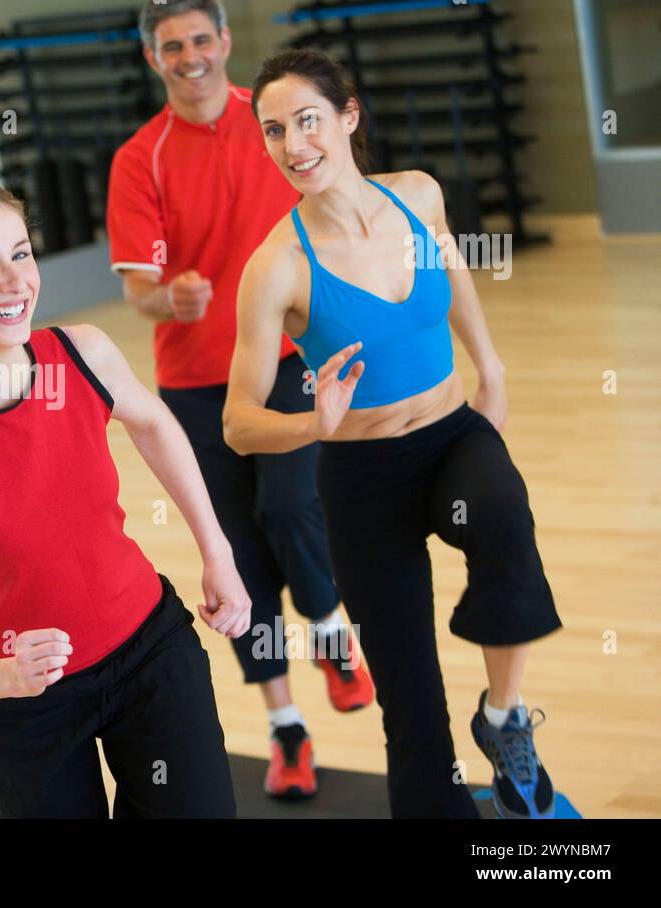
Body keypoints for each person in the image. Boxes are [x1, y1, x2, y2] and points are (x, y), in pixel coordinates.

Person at [226, 48, 563, 818]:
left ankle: (505, 717)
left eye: (307, 120)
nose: (293, 145)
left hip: (451, 437)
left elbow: (451, 266)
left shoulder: (417, 196)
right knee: (411, 711)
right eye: (274, 130)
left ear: (348, 116)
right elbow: (238, 424)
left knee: (503, 517)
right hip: (362, 477)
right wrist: (312, 422)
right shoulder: (277, 267)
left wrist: (491, 366)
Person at [0, 175, 250, 818]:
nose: (16, 281)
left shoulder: (81, 355)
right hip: (25, 705)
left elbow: (154, 424)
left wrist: (216, 551)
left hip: (149, 652)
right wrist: (8, 675)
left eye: (21, 254)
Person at [107, 0, 372, 799]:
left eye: (201, 40)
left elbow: (339, 203)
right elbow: (138, 289)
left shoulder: (276, 121)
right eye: (172, 46)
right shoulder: (141, 157)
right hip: (194, 381)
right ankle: (285, 725)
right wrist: (170, 298)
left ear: (224, 42)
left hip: (292, 357)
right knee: (236, 556)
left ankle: (331, 635)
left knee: (291, 506)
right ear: (153, 58)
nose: (189, 57)